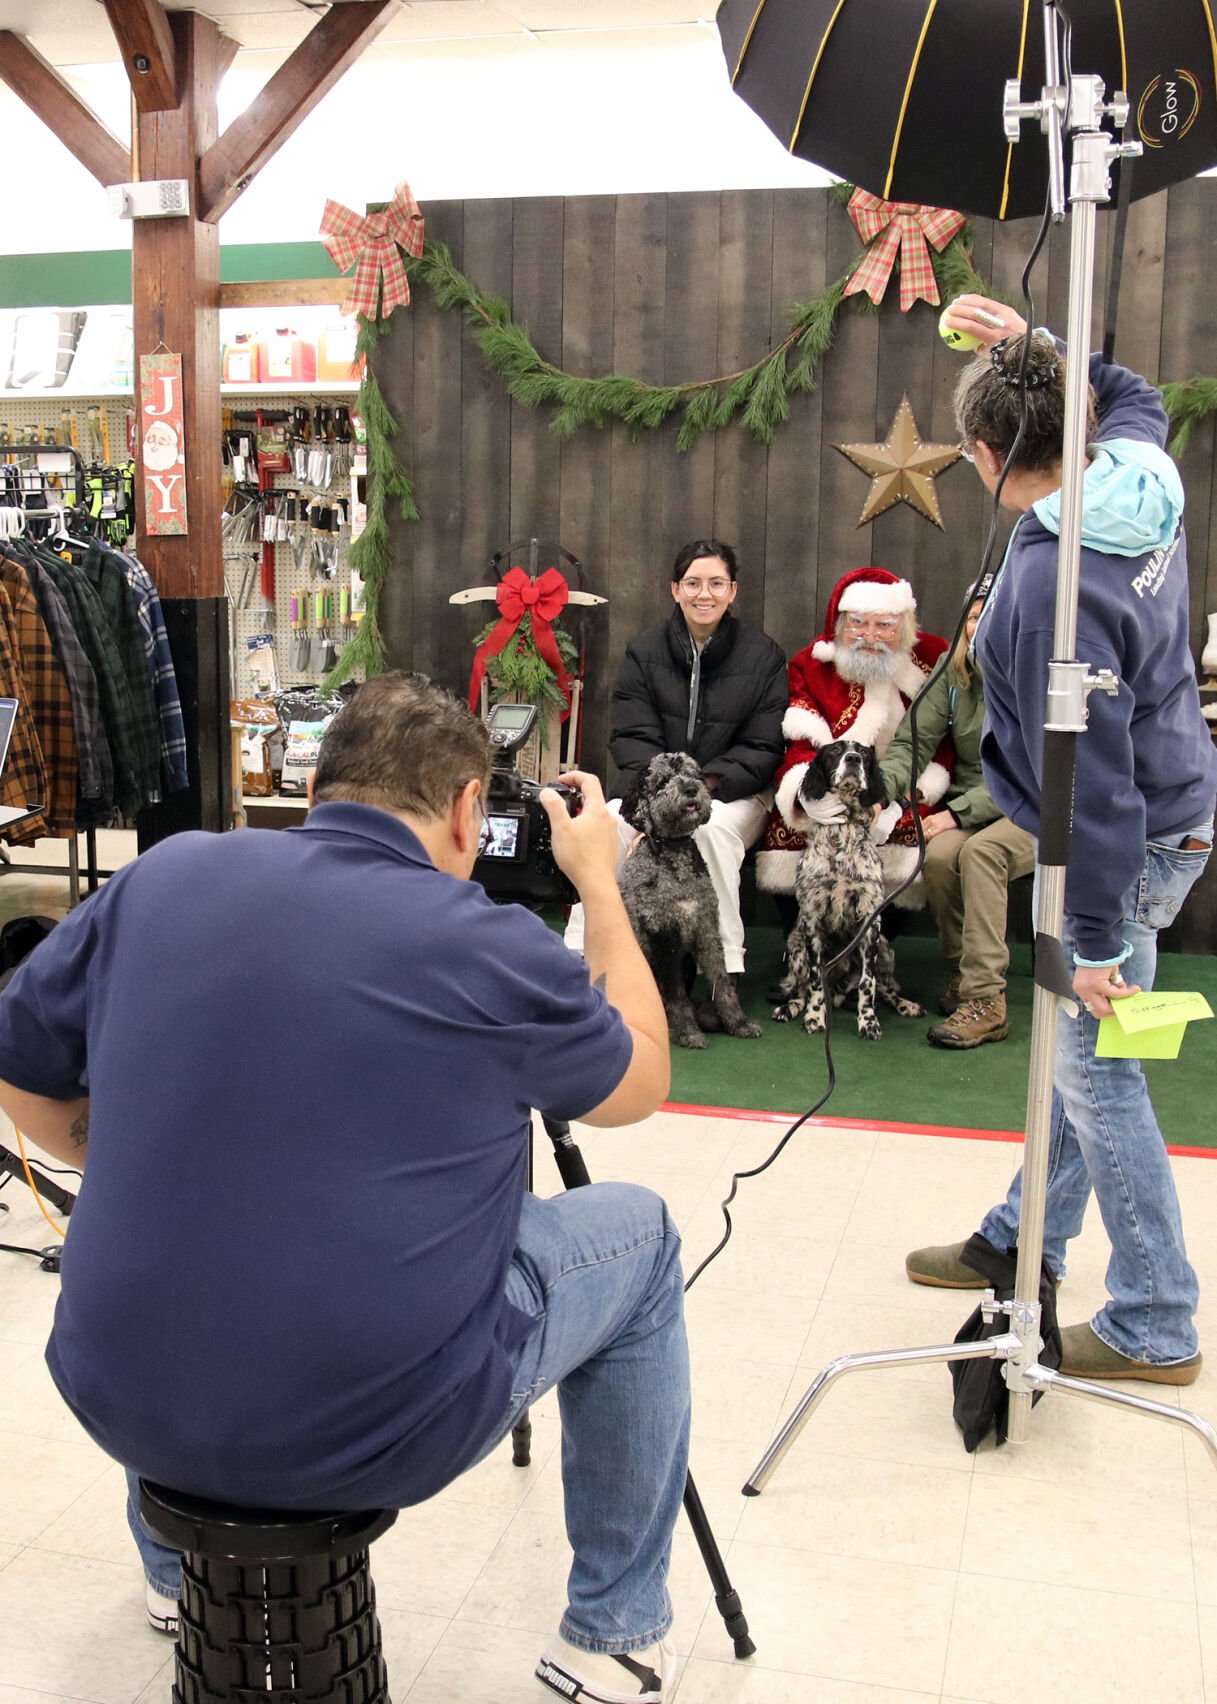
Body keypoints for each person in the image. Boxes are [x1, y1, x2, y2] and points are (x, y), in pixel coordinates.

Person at [0, 672, 691, 1704]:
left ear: (318, 789)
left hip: (113, 1391)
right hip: (379, 1423)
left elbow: (19, 1061)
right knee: (637, 1235)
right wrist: (597, 883)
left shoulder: (163, 877)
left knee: (194, 1246)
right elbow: (639, 1078)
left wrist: (139, 1153)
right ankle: (614, 1633)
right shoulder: (481, 940)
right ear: (467, 809)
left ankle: (167, 1574)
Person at [907, 295, 1217, 1386]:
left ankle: (1155, 1319)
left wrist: (1087, 941)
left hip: (1117, 846)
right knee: (1072, 1069)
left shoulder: (1049, 579)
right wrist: (1041, 339)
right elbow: (1130, 396)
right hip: (1164, 816)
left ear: (982, 455)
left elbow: (1090, 788)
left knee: (1095, 1070)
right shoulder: (1134, 477)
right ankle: (1015, 1237)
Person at [565, 538, 787, 981]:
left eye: (716, 584)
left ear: (732, 591)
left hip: (732, 793)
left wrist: (700, 789)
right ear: (675, 589)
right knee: (606, 824)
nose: (704, 594)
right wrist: (662, 801)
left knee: (713, 830)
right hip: (652, 791)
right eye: (693, 583)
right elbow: (631, 734)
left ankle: (723, 967)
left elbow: (763, 746)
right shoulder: (644, 652)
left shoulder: (763, 655)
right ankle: (579, 957)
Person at [877, 596, 1036, 1048]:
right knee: (943, 854)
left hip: (1042, 808)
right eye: (972, 616)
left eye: (996, 615)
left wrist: (958, 813)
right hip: (976, 807)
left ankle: (988, 1001)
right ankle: (962, 978)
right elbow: (911, 744)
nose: (981, 626)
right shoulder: (955, 671)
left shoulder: (1042, 672)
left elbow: (1033, 771)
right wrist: (878, 792)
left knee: (983, 852)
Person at [756, 566, 948, 902]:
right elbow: (800, 741)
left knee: (913, 834)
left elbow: (944, 743)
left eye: (884, 625)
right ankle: (800, 938)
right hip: (829, 783)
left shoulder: (934, 660)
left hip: (907, 789)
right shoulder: (811, 665)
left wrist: (897, 799)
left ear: (904, 627)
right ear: (841, 624)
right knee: (790, 825)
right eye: (858, 623)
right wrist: (807, 794)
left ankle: (879, 938)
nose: (870, 636)